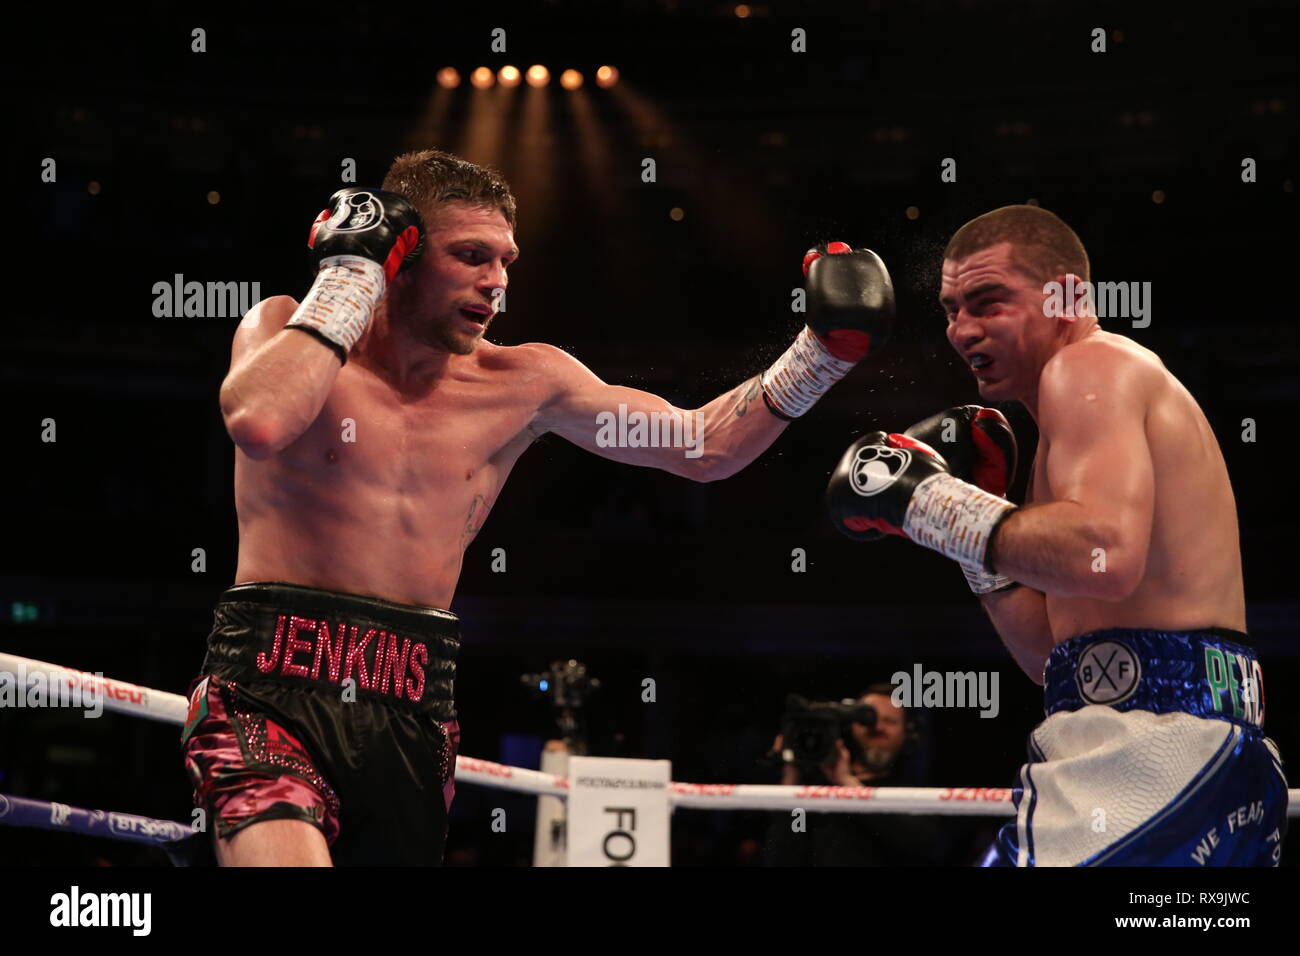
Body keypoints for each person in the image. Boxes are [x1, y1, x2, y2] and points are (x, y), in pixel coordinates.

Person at [182, 148, 895, 865]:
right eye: (470, 256)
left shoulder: (523, 382)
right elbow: (260, 421)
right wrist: (349, 275)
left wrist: (822, 356)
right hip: (271, 678)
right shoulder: (285, 327)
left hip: (410, 694)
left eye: (505, 261)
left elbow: (703, 446)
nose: (495, 283)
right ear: (398, 252)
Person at [825, 205, 1288, 866]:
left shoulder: (1090, 368)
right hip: (1179, 753)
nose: (962, 329)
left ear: (1068, 297)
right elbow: (1054, 657)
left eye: (988, 303)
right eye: (952, 308)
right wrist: (968, 534)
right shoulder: (1067, 433)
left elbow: (1105, 557)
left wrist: (925, 500)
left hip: (1152, 762)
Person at [763, 686, 947, 865]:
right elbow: (782, 857)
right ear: (852, 726)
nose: (877, 727)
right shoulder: (816, 792)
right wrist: (791, 783)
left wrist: (847, 784)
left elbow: (924, 844)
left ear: (907, 732)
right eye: (867, 719)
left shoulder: (912, 795)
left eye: (889, 721)